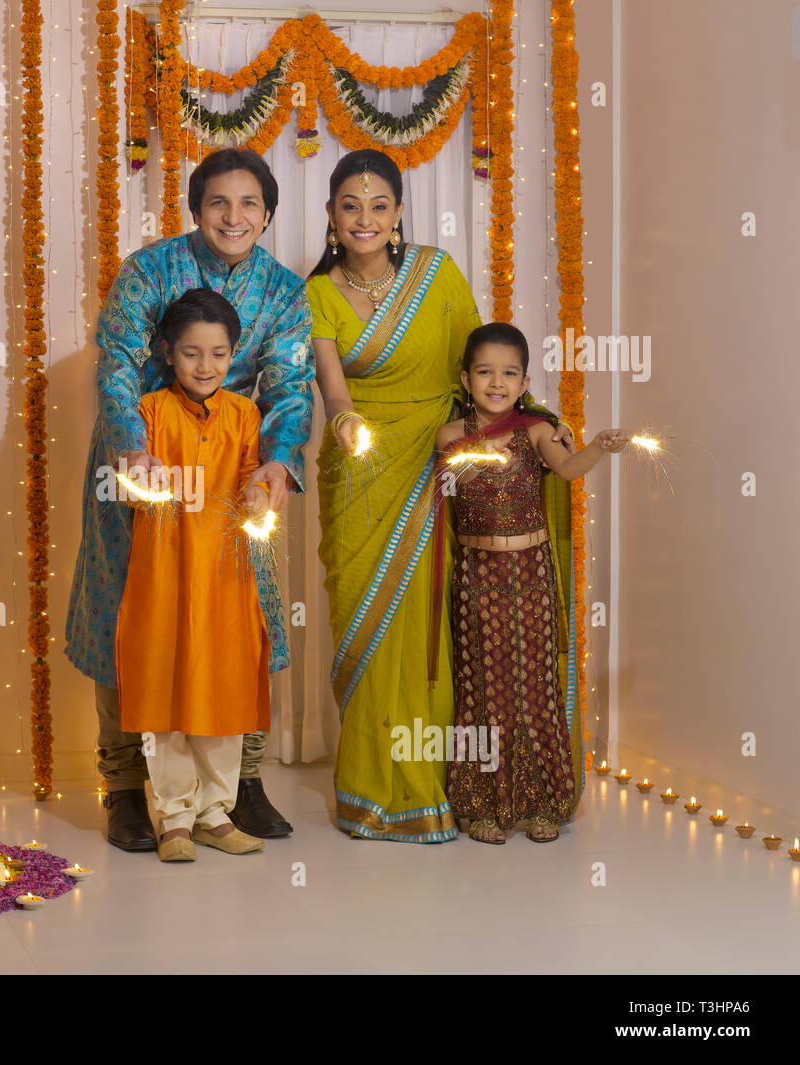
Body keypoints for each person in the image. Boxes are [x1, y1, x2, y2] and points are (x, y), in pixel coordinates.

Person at [308, 149, 574, 842]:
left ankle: (451, 788)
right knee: (368, 628)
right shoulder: (318, 294)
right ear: (331, 217)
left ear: (398, 214)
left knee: (435, 630)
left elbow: (484, 367)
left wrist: (538, 417)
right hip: (364, 469)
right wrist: (346, 421)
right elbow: (334, 387)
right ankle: (374, 789)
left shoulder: (439, 275)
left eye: (379, 206)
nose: (365, 219)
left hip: (441, 464)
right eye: (349, 206)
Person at [66, 149, 313, 850]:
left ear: (267, 214)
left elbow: (292, 386)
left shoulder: (287, 292)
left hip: (235, 474)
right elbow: (115, 357)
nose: (233, 217)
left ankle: (240, 787)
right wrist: (131, 447)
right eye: (217, 203)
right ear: (195, 208)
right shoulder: (149, 270)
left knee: (243, 620)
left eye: (249, 205)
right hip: (139, 471)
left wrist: (276, 462)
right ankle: (123, 789)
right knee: (128, 617)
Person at [435, 323, 626, 843]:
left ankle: (543, 804)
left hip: (531, 575)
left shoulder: (537, 430)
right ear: (466, 377)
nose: (496, 382)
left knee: (535, 688)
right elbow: (437, 497)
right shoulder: (450, 436)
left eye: (509, 373)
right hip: (476, 577)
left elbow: (567, 470)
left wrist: (598, 447)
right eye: (485, 372)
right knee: (482, 690)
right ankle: (481, 807)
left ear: (523, 381)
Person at [116, 289, 271, 862]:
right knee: (166, 688)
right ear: (168, 353)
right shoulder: (149, 413)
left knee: (223, 689)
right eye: (190, 354)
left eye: (218, 354)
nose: (205, 367)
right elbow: (130, 481)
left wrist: (258, 492)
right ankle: (174, 817)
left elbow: (255, 472)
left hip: (226, 575)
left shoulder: (245, 414)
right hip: (163, 571)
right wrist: (139, 469)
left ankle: (215, 814)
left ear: (234, 355)